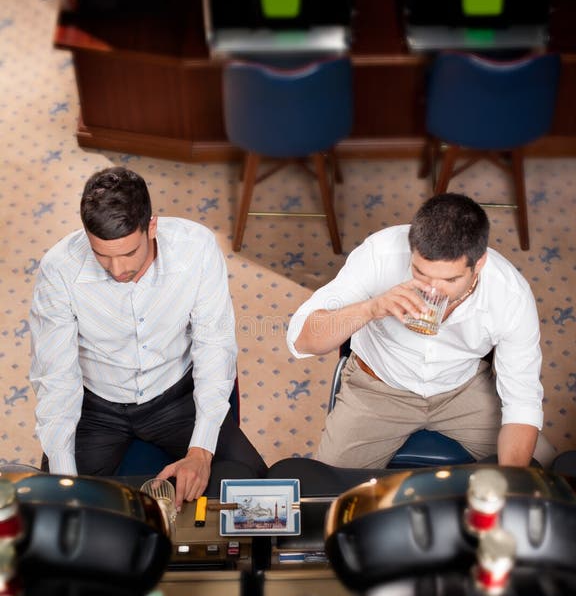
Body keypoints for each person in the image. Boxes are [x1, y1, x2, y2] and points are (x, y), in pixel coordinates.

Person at [29, 166, 267, 506]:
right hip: (95, 408)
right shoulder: (58, 271)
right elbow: (56, 378)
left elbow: (215, 346)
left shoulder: (196, 249)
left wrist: (200, 451)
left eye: (128, 254)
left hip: (175, 397)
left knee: (259, 497)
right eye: (102, 256)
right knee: (53, 511)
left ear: (151, 226)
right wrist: (66, 482)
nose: (116, 270)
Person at [285, 193, 553, 470]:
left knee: (542, 468)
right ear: (411, 250)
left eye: (450, 279)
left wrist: (511, 484)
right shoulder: (380, 253)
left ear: (479, 264)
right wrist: (371, 308)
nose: (432, 290)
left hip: (462, 389)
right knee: (330, 490)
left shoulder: (510, 294)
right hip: (376, 388)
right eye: (421, 273)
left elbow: (522, 401)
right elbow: (302, 339)